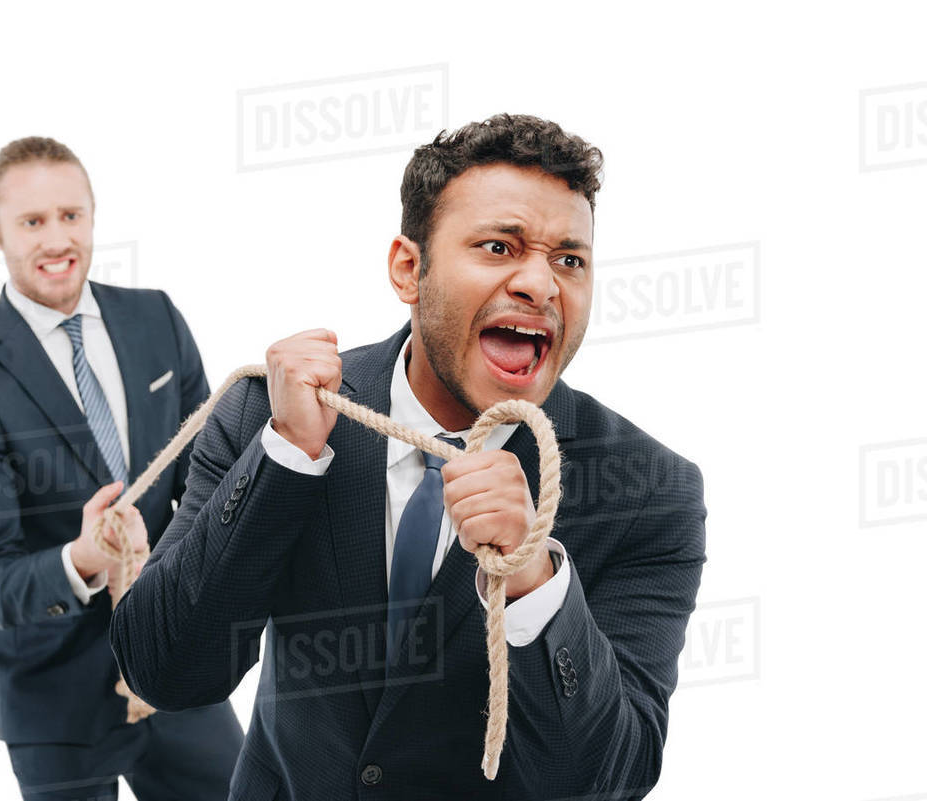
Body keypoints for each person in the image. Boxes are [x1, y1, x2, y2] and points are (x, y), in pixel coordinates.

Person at [112, 115, 708, 800]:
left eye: (569, 260)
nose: (541, 285)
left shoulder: (651, 493)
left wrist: (534, 581)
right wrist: (286, 457)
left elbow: (609, 778)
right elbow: (165, 669)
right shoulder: (267, 416)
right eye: (498, 246)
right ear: (407, 268)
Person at [0, 136, 243, 800]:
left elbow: (209, 480)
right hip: (54, 699)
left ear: (93, 216)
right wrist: (83, 557)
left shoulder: (156, 318)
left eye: (70, 215)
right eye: (32, 221)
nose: (56, 238)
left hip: (173, 664)